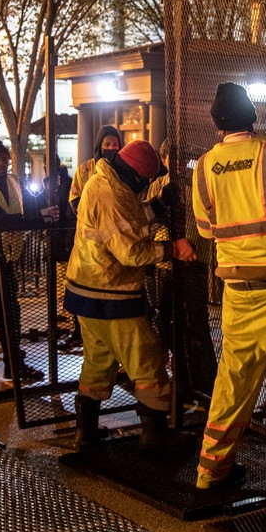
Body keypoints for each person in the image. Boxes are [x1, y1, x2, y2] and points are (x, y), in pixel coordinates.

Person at [191, 83, 266, 505]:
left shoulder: (204, 167)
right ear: (253, 116)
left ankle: (210, 473)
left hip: (235, 294)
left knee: (232, 385)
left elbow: (207, 231)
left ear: (217, 123)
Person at [64, 139, 197, 453]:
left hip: (86, 291)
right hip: (111, 293)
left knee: (97, 362)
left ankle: (86, 434)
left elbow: (131, 221)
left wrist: (159, 205)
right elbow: (131, 252)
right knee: (148, 361)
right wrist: (172, 249)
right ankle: (155, 434)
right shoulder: (112, 194)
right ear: (139, 177)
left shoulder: (105, 184)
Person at [0, 138, 57, 394]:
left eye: (5, 159)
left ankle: (14, 366)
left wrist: (42, 209)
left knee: (11, 318)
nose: (2, 163)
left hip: (7, 259)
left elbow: (28, 207)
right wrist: (37, 216)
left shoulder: (14, 182)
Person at [61, 125, 123, 352]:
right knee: (83, 288)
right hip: (87, 242)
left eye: (115, 145)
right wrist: (94, 215)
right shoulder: (85, 169)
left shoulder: (122, 170)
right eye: (107, 145)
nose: (111, 149)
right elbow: (74, 199)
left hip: (114, 241)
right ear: (99, 145)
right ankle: (79, 332)